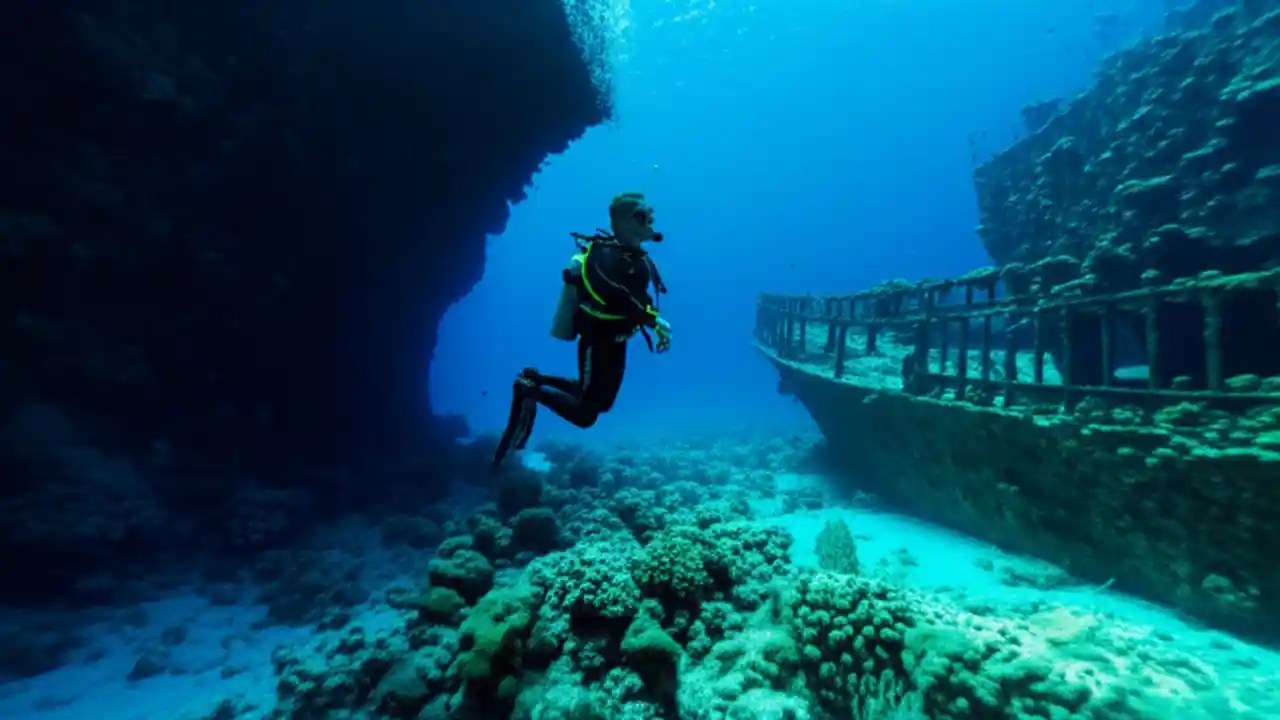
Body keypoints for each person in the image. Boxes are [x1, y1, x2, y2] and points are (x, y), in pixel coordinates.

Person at [492, 192, 672, 470]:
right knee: (587, 415)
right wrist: (651, 320)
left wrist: (652, 319)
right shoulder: (602, 256)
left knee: (601, 403)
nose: (650, 219)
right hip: (597, 342)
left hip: (618, 341)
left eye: (650, 215)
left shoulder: (638, 259)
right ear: (622, 222)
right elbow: (611, 291)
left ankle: (537, 379)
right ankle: (528, 389)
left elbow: (638, 296)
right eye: (642, 216)